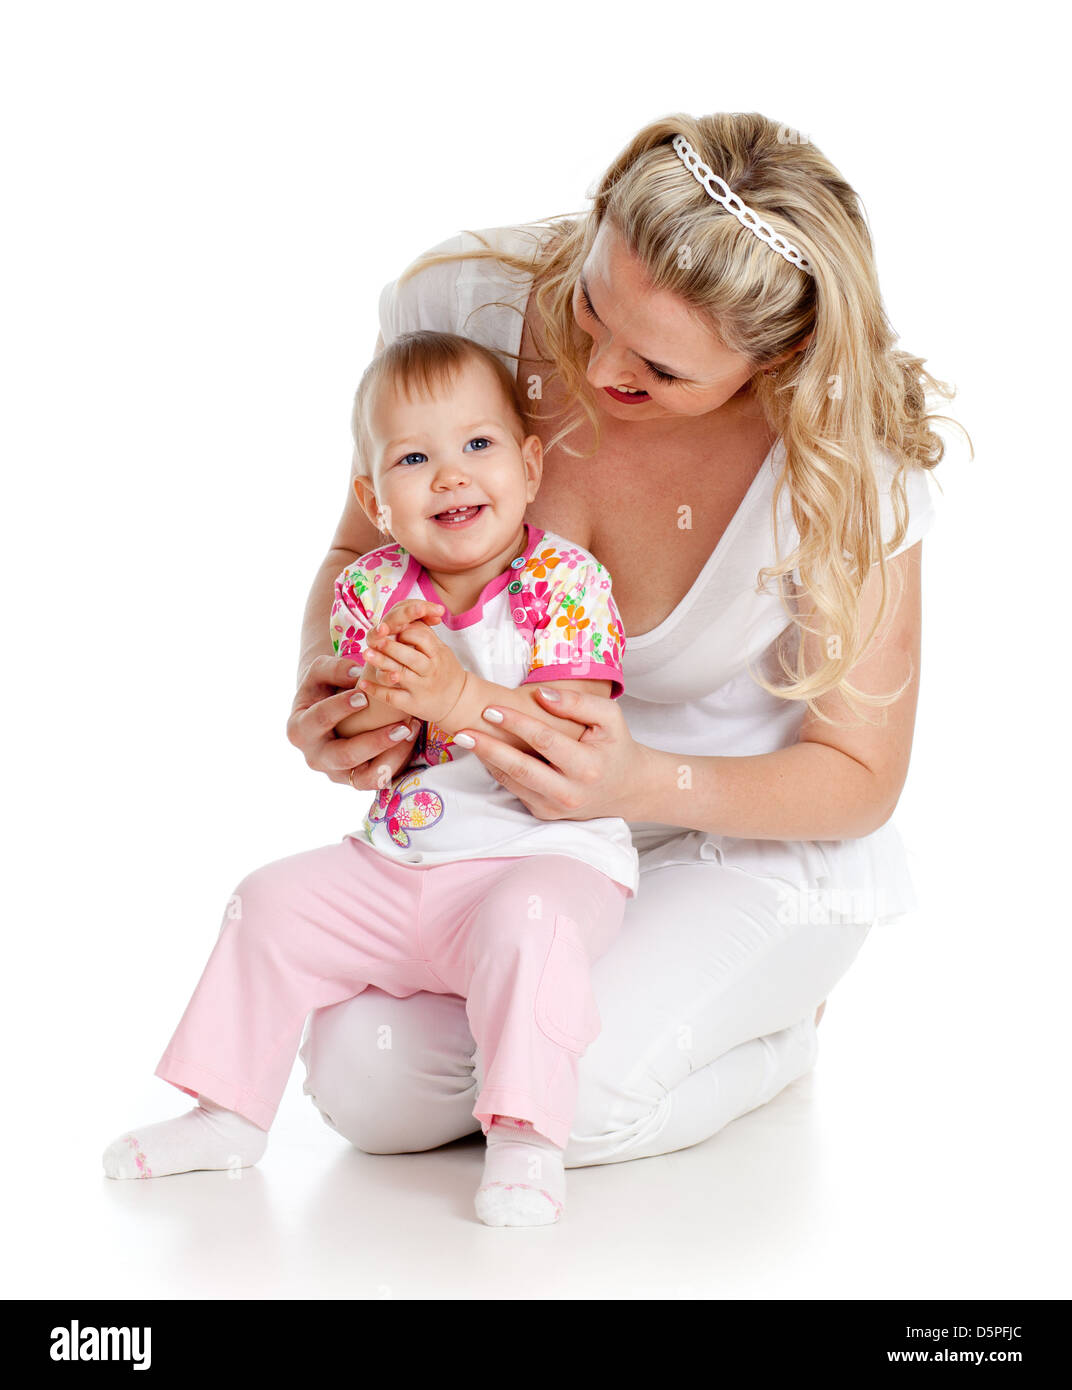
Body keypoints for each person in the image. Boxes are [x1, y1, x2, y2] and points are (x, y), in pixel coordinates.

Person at [289, 111, 969, 1170]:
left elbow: (858, 775)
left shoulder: (847, 450)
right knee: (363, 1084)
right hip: (516, 834)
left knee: (586, 1100)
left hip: (736, 834)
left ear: (776, 354)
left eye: (657, 370)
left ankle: (776, 1035)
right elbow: (357, 550)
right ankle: (587, 1033)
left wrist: (638, 778)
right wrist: (329, 692)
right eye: (590, 304)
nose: (599, 364)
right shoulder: (463, 305)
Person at [101, 329, 640, 1227]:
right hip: (401, 865)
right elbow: (357, 739)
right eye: (414, 458)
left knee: (529, 923)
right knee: (266, 902)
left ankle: (525, 1141)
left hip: (543, 854)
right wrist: (378, 699)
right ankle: (227, 1114)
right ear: (374, 499)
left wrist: (459, 694)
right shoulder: (372, 591)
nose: (452, 476)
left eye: (478, 445)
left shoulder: (566, 581)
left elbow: (569, 745)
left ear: (531, 463)